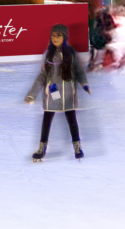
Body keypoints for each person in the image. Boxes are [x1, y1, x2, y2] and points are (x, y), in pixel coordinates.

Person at [24, 24, 90, 162]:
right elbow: (42, 75)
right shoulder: (48, 53)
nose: (55, 38)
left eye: (58, 35)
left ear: (64, 37)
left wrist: (84, 83)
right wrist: (32, 94)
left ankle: (77, 147)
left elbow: (78, 70)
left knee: (72, 119)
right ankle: (42, 149)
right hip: (53, 90)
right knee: (47, 119)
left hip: (68, 91)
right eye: (53, 35)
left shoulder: (71, 53)